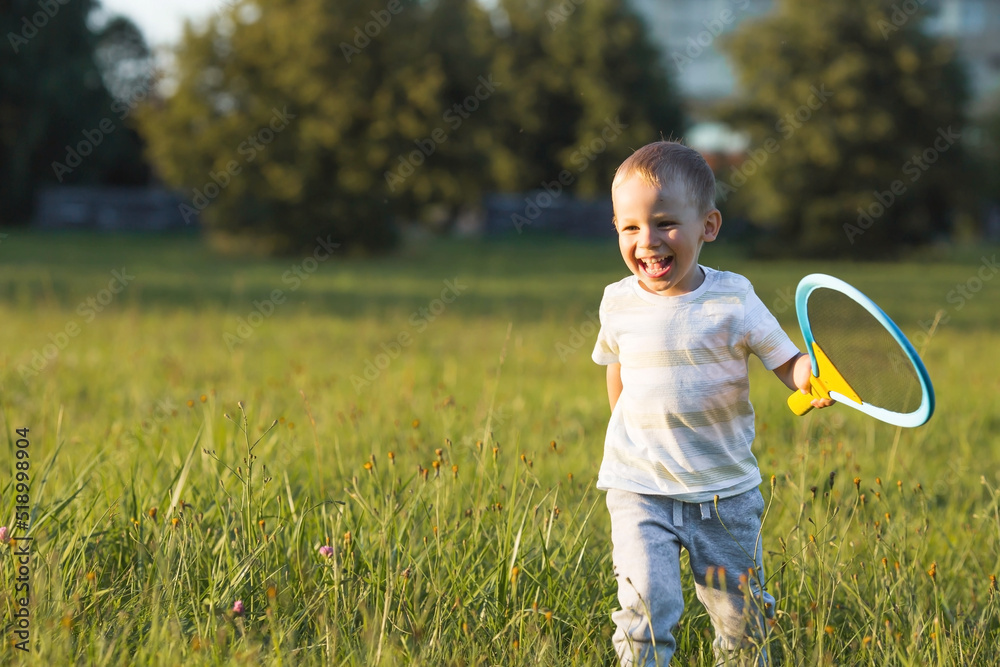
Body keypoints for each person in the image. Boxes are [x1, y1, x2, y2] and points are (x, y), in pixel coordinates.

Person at [591, 141, 831, 666]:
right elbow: (618, 372)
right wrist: (626, 440)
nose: (647, 241)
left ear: (709, 226)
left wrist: (805, 376)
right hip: (640, 488)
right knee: (645, 608)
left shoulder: (733, 298)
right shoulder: (618, 300)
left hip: (722, 495)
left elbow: (785, 360)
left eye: (665, 223)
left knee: (740, 619)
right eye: (630, 227)